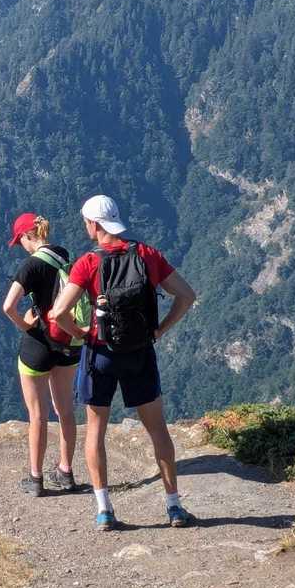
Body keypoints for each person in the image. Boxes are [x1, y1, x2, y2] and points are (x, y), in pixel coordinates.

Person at [50, 194, 198, 531]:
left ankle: (104, 510)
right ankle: (174, 506)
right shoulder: (145, 255)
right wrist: (159, 330)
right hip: (140, 352)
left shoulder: (88, 262)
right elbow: (186, 295)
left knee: (96, 431)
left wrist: (84, 332)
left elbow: (58, 313)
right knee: (157, 429)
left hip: (100, 355)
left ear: (93, 225)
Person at [1, 212, 82, 497]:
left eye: (19, 240)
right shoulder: (64, 254)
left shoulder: (30, 266)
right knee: (65, 410)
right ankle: (66, 472)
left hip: (38, 346)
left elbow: (8, 306)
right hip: (68, 340)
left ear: (26, 236)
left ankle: (35, 479)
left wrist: (26, 326)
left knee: (38, 414)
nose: (20, 245)